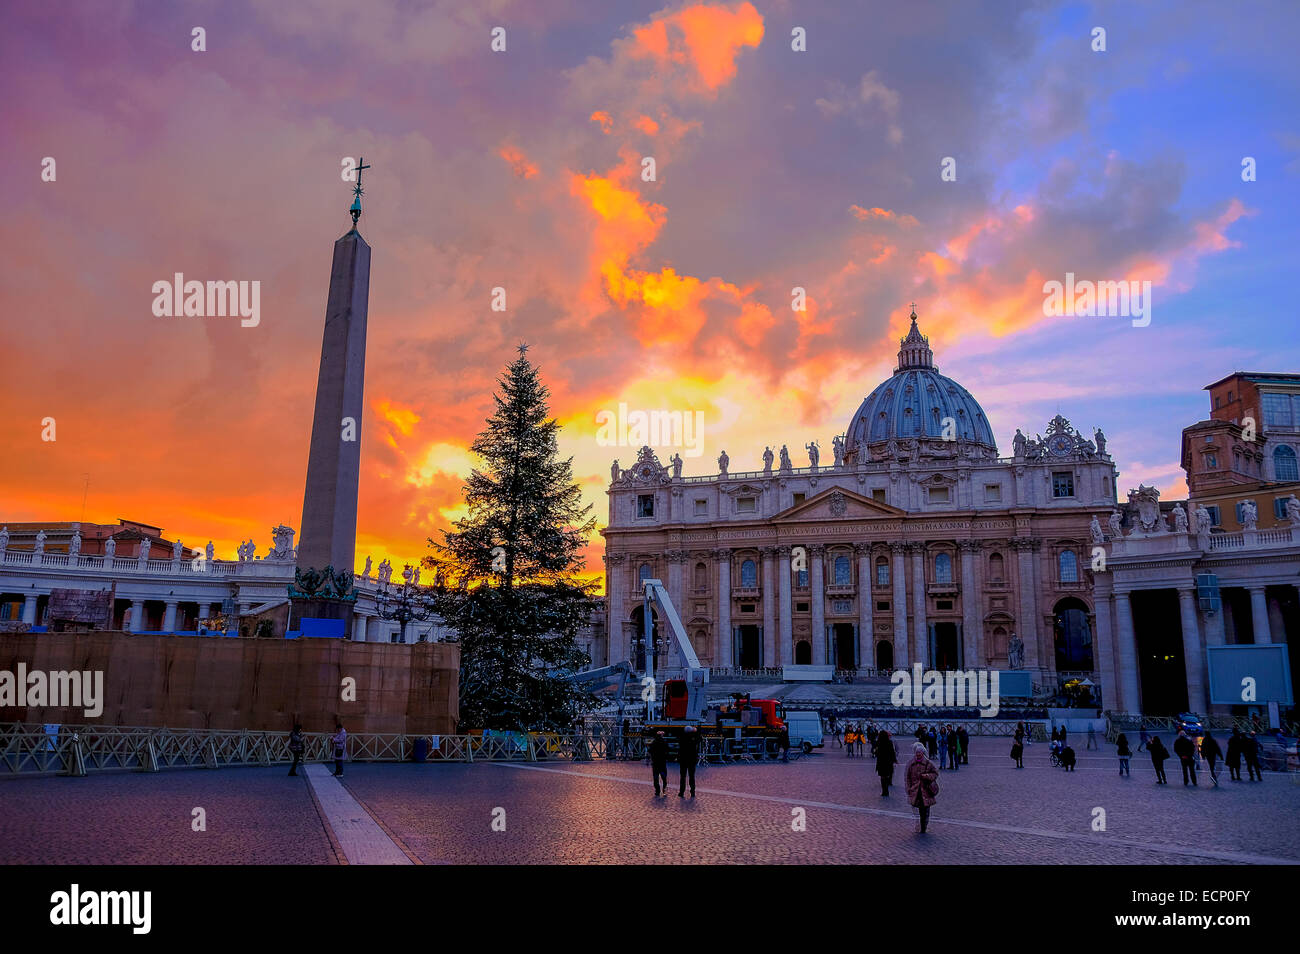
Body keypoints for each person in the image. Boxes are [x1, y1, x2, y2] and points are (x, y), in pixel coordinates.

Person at [905, 742, 940, 834]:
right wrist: (909, 788)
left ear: (923, 753)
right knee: (920, 810)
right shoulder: (911, 764)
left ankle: (924, 826)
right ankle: (921, 825)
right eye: (917, 753)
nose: (918, 754)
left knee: (926, 810)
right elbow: (908, 777)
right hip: (916, 791)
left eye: (920, 753)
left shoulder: (928, 763)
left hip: (926, 791)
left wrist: (927, 776)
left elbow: (935, 773)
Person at [678, 725, 701, 797]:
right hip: (692, 760)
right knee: (691, 776)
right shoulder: (693, 738)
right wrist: (696, 731)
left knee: (682, 777)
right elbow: (699, 739)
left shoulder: (682, 738)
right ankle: (692, 792)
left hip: (683, 760)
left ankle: (681, 792)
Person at [876, 729, 898, 797]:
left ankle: (884, 791)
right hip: (888, 762)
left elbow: (877, 753)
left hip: (881, 762)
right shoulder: (889, 742)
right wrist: (894, 760)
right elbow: (892, 752)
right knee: (887, 776)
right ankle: (887, 790)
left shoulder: (879, 742)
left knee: (882, 777)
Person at [648, 730, 669, 795]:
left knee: (656, 777)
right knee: (664, 776)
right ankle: (664, 790)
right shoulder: (664, 742)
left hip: (655, 761)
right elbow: (667, 750)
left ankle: (657, 790)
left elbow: (650, 750)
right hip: (662, 761)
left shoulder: (654, 742)